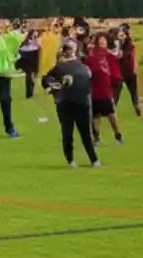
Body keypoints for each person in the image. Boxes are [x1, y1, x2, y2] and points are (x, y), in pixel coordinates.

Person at [43, 39, 99, 167]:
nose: (73, 50)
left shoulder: (83, 65)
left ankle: (93, 159)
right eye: (70, 48)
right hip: (65, 103)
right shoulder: (60, 67)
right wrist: (53, 88)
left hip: (81, 102)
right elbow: (46, 80)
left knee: (85, 133)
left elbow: (90, 80)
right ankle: (71, 160)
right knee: (68, 132)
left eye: (74, 47)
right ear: (66, 51)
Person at [84, 33, 123, 146]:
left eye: (103, 41)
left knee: (111, 113)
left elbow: (115, 73)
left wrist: (115, 81)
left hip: (106, 89)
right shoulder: (91, 57)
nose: (101, 43)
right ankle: (96, 138)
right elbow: (87, 70)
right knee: (96, 115)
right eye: (99, 41)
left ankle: (118, 135)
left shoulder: (110, 57)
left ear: (107, 42)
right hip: (95, 89)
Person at [113, 26, 140, 117]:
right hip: (119, 74)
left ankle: (138, 110)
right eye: (120, 35)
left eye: (123, 35)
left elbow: (123, 55)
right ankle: (111, 113)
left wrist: (135, 67)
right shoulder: (115, 44)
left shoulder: (130, 45)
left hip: (129, 73)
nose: (122, 37)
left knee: (134, 95)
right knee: (115, 95)